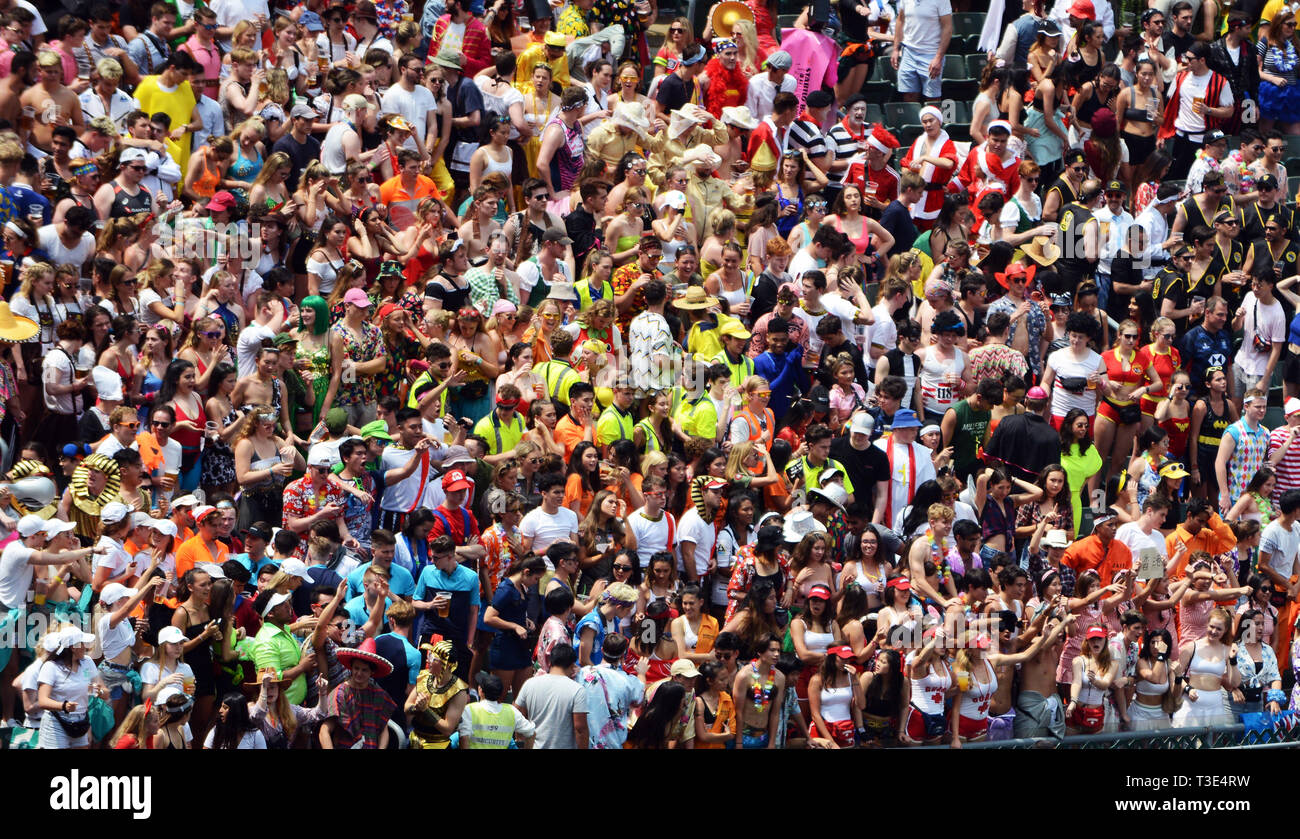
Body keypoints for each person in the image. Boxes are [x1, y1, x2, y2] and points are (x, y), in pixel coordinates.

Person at [513, 641, 587, 749]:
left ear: (550, 662)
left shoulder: (529, 684)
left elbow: (517, 715)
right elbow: (580, 729)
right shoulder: (577, 690)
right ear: (572, 665)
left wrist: (521, 742)